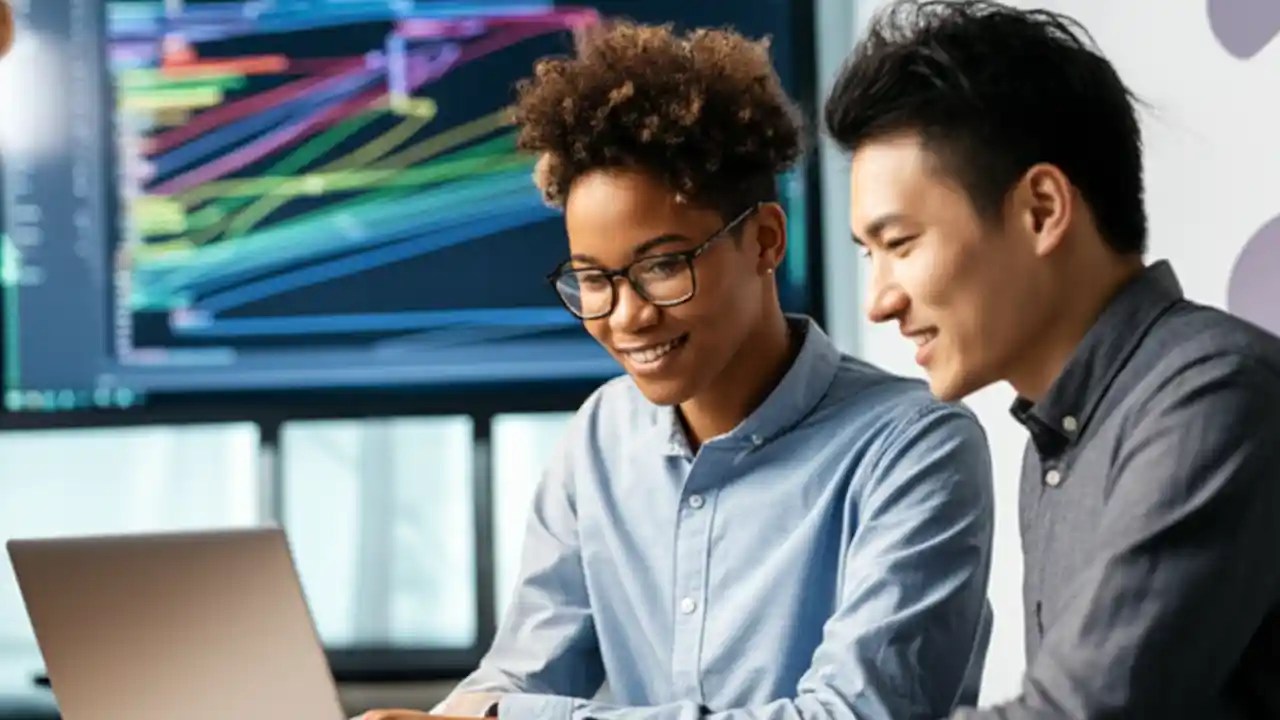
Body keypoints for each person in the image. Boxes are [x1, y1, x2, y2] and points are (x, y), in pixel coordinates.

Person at [361, 19, 994, 720]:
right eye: (592, 278)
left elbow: (853, 714)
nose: (627, 316)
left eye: (663, 266)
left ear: (764, 240)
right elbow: (521, 674)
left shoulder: (915, 447)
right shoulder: (602, 437)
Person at [824, 1, 1280, 718]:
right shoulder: (1057, 438)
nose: (879, 300)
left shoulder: (1215, 397)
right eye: (867, 254)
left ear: (1041, 209)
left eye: (901, 243)